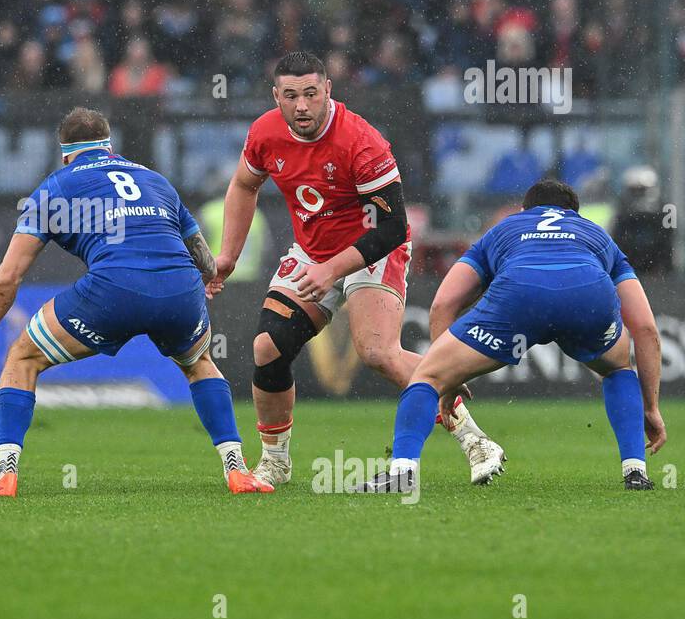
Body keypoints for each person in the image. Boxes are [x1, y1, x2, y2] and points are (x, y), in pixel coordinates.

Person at [0, 107, 273, 497]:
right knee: (199, 364)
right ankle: (237, 470)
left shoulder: (54, 187)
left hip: (114, 289)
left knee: (23, 358)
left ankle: (5, 475)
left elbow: (7, 279)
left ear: (65, 153)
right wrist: (209, 277)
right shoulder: (155, 179)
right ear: (110, 145)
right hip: (179, 288)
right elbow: (201, 255)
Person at [210, 51, 505, 486]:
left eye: (311, 93)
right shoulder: (265, 133)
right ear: (276, 97)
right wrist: (229, 256)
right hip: (314, 251)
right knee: (267, 348)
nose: (302, 106)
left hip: (373, 250)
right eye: (291, 96)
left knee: (377, 353)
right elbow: (244, 184)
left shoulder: (361, 142)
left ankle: (476, 439)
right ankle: (276, 461)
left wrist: (332, 271)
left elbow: (393, 227)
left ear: (328, 90)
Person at [363, 179, 666, 493]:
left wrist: (446, 380)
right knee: (617, 369)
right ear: (573, 213)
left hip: (520, 298)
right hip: (586, 297)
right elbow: (645, 329)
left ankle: (402, 473)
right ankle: (635, 471)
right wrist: (651, 408)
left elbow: (444, 302)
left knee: (426, 376)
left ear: (525, 210)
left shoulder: (505, 229)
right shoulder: (595, 234)